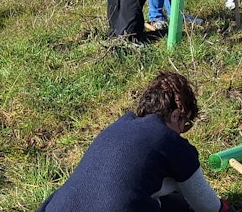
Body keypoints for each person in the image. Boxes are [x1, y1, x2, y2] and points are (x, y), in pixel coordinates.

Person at [38, 71, 229, 212]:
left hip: (56, 207)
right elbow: (208, 206)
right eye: (185, 124)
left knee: (173, 203)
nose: (182, 132)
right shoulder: (171, 141)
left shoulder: (120, 126)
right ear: (175, 115)